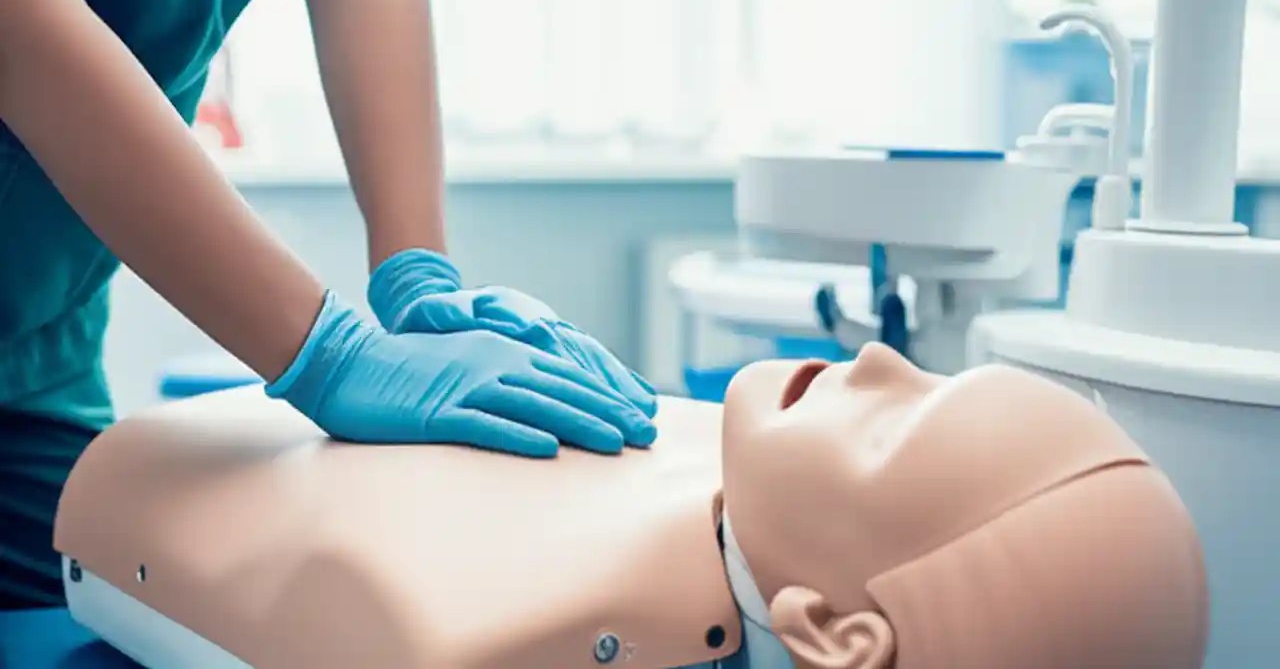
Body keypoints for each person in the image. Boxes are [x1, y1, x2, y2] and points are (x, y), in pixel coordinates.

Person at [0, 0, 656, 610]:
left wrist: (416, 271)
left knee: (79, 618)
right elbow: (19, 15)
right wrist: (330, 354)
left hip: (38, 351)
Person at [55, 344, 1208, 668]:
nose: (873, 356)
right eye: (935, 373)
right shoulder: (720, 457)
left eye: (900, 423)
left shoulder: (502, 627)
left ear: (831, 634)